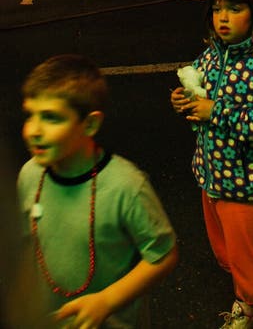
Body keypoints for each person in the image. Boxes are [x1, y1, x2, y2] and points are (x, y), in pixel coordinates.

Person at [170, 0, 253, 329]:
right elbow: (201, 102)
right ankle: (246, 305)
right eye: (217, 9)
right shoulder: (212, 56)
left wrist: (215, 110)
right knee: (234, 257)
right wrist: (185, 101)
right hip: (213, 178)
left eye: (234, 9)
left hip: (246, 186)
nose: (222, 18)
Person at [18, 54, 178, 329]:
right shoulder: (30, 175)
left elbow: (163, 254)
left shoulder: (126, 186)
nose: (34, 130)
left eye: (51, 118)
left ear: (90, 125)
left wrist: (106, 301)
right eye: (30, 115)